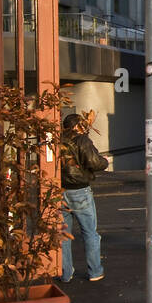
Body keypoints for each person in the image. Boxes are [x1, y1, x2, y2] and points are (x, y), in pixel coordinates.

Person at [60, 112, 109, 283]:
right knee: (89, 233)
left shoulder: (57, 140)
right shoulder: (82, 140)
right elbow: (94, 162)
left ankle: (66, 273)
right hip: (80, 190)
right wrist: (105, 161)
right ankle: (95, 271)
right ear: (77, 126)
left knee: (63, 235)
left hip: (59, 191)